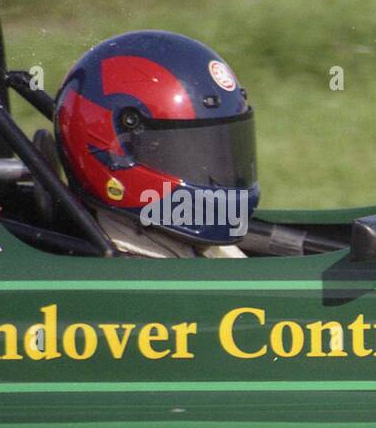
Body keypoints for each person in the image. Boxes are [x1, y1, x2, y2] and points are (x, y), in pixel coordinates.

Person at [53, 30, 258, 258]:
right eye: (192, 151)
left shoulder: (199, 245)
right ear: (119, 152)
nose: (221, 169)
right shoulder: (130, 276)